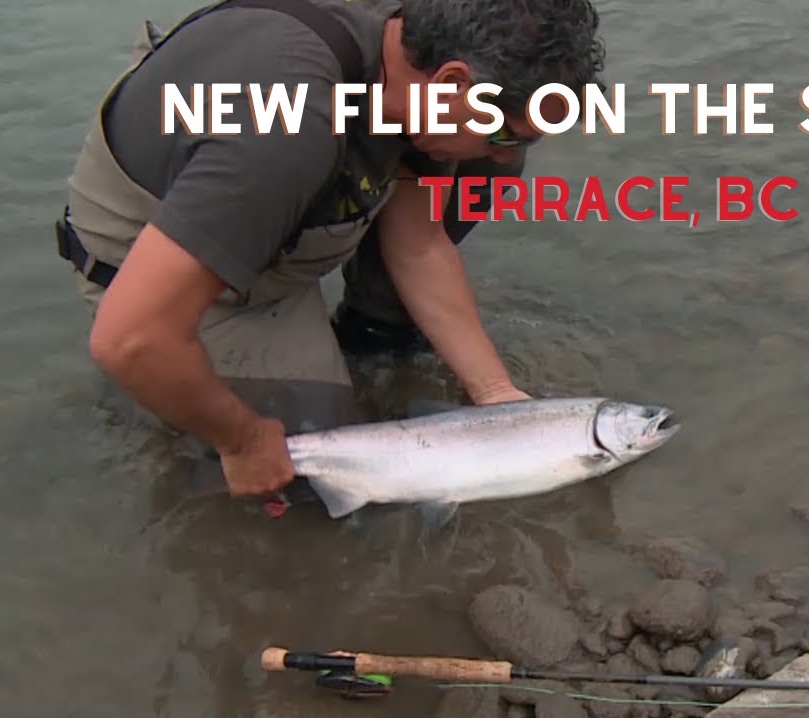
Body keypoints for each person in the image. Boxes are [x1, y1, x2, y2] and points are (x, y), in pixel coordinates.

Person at [55, 0, 606, 502]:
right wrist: (242, 439)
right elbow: (129, 337)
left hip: (273, 212)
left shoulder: (414, 53)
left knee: (473, 171)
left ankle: (373, 338)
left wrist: (496, 392)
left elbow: (418, 245)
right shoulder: (285, 125)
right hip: (160, 280)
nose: (507, 157)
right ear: (453, 81)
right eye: (506, 135)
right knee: (313, 475)